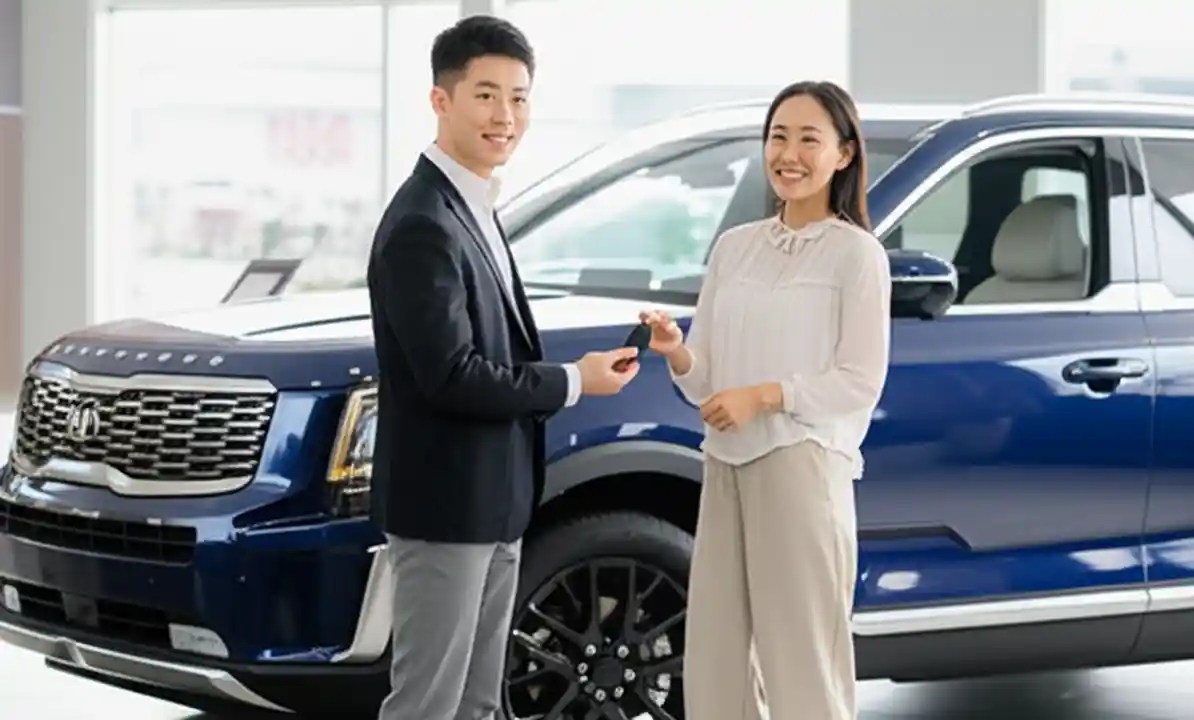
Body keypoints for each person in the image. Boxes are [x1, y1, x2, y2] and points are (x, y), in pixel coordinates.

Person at [365, 15, 640, 720]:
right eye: (486, 96)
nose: (506, 116)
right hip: (445, 509)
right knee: (427, 705)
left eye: (519, 98)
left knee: (479, 705)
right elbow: (452, 375)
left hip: (493, 502)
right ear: (441, 100)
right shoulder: (423, 222)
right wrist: (574, 381)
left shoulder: (474, 205)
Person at [642, 80, 891, 720]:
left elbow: (860, 379)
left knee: (803, 661)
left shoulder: (857, 255)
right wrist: (676, 351)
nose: (789, 154)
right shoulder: (735, 247)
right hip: (725, 463)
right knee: (715, 659)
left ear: (843, 154)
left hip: (801, 466)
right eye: (778, 137)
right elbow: (707, 380)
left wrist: (765, 396)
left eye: (809, 139)